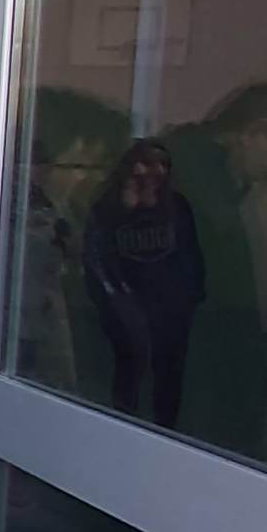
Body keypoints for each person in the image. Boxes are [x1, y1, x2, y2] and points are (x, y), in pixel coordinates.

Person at [82, 137, 205, 430]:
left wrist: (190, 296)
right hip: (126, 305)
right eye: (146, 163)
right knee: (129, 368)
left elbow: (190, 255)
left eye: (163, 164)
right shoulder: (107, 209)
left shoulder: (177, 207)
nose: (155, 171)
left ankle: (166, 430)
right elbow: (96, 258)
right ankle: (122, 426)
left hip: (171, 307)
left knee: (169, 372)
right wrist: (115, 301)